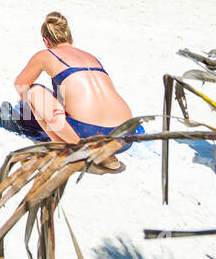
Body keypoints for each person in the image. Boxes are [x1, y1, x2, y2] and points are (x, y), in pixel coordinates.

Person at [12, 12, 144, 173]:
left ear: (46, 41)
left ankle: (69, 151)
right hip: (126, 134)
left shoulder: (46, 55)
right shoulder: (90, 57)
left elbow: (20, 85)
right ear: (70, 37)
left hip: (89, 134)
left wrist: (30, 106)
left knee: (33, 91)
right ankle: (107, 156)